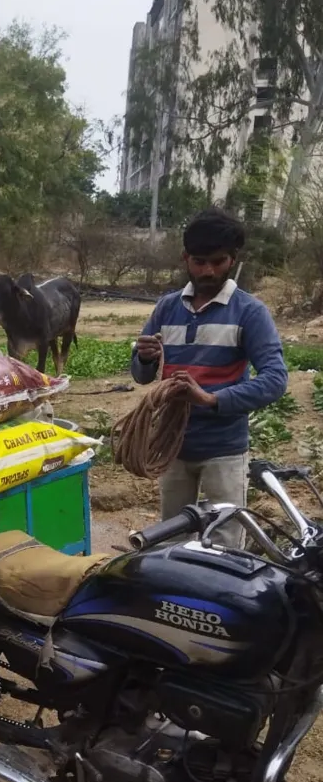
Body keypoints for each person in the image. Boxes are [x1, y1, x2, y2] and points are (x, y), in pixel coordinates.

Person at [131, 208, 288, 546]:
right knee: (170, 540)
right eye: (200, 261)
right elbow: (142, 376)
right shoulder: (167, 308)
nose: (208, 270)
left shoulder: (250, 312)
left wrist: (211, 399)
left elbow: (275, 379)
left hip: (225, 449)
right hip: (174, 447)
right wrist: (144, 359)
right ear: (186, 258)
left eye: (218, 261)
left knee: (227, 543)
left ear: (232, 260)